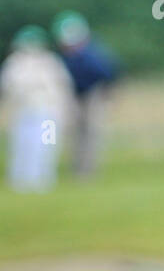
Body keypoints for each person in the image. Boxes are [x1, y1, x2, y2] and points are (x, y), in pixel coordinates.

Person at [1, 25, 73, 192]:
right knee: (23, 145)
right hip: (24, 112)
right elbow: (9, 87)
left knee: (46, 146)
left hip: (47, 112)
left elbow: (61, 88)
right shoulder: (15, 63)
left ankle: (43, 179)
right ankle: (21, 180)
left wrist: (64, 110)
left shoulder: (50, 62)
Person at [52, 10, 119, 177]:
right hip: (74, 95)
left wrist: (106, 92)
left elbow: (108, 73)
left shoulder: (92, 55)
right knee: (75, 133)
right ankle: (77, 167)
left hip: (92, 94)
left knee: (91, 132)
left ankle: (88, 170)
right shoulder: (66, 57)